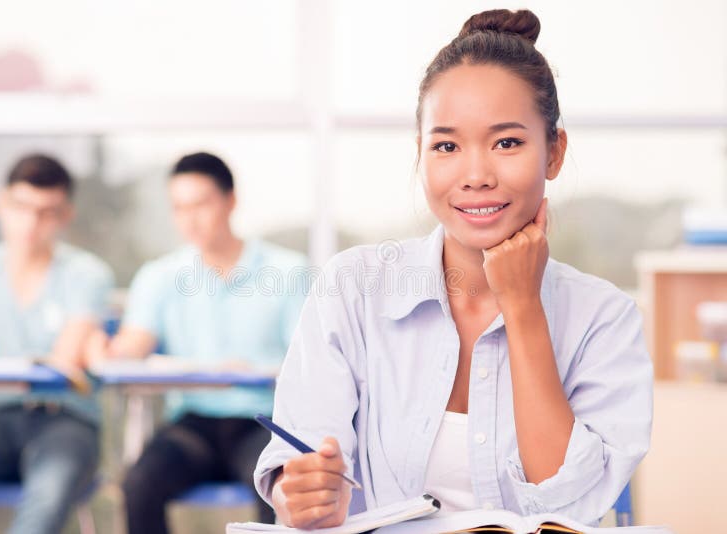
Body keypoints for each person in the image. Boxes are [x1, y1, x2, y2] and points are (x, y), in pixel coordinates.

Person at [254, 9, 653, 529]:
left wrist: (524, 306)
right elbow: (300, 462)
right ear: (420, 154)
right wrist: (300, 493)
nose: (476, 175)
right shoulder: (352, 289)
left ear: (554, 152)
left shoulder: (605, 318)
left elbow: (566, 511)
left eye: (507, 142)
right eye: (446, 146)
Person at [86, 152, 308, 533]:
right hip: (193, 426)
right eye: (179, 207)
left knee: (281, 488)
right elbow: (132, 347)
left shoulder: (289, 273)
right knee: (137, 485)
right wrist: (102, 350)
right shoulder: (159, 277)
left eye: (201, 204)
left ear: (230, 201)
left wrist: (254, 371)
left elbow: (310, 363)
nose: (190, 219)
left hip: (263, 422)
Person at [0, 154, 114, 534]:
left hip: (66, 421)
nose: (31, 223)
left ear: (66, 215)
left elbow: (66, 360)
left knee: (46, 498)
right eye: (22, 208)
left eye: (46, 212)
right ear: (1, 203)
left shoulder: (87, 275)